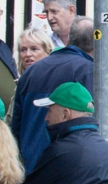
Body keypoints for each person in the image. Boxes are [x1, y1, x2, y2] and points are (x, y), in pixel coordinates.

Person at [13, 17, 94, 171]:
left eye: (34, 49)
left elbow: (16, 125)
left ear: (70, 38)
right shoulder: (87, 70)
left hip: (30, 165)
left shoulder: (30, 72)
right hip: (69, 166)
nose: (28, 54)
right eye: (23, 49)